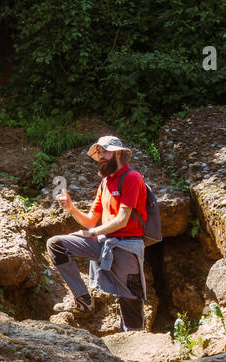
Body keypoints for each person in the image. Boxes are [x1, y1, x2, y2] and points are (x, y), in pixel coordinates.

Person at [46, 135, 151, 331]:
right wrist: (71, 208)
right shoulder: (105, 183)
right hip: (105, 242)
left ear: (118, 153)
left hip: (128, 247)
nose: (101, 157)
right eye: (99, 152)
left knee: (131, 302)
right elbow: (91, 220)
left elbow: (122, 220)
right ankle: (83, 300)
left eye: (105, 152)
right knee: (56, 244)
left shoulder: (132, 178)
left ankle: (136, 346)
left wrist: (92, 232)